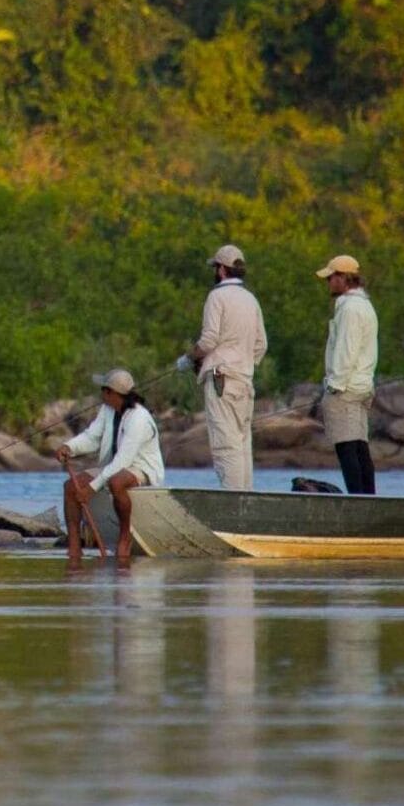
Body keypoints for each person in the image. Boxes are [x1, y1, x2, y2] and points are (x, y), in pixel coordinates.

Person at [53, 369, 164, 573]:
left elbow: (124, 460)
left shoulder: (139, 418)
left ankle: (124, 537)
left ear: (112, 393)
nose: (101, 394)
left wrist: (92, 488)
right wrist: (69, 447)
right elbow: (92, 437)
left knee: (116, 482)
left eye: (104, 390)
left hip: (140, 467)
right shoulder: (107, 410)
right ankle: (75, 547)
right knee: (70, 486)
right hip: (112, 466)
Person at [177, 244, 265, 490]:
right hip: (244, 381)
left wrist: (189, 359)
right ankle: (246, 500)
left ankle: (234, 505)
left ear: (223, 269)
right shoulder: (251, 299)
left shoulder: (217, 296)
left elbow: (208, 340)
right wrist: (244, 363)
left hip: (221, 381)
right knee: (242, 443)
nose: (214, 271)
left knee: (226, 445)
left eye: (216, 267)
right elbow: (261, 344)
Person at [318, 255, 378, 494]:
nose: (329, 282)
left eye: (331, 277)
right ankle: (368, 499)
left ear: (344, 278)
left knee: (347, 448)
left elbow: (346, 351)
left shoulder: (350, 308)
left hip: (346, 388)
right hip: (361, 386)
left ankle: (358, 501)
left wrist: (334, 385)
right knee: (360, 448)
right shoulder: (363, 305)